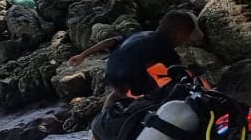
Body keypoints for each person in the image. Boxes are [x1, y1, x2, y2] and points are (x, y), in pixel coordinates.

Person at [68, 10, 200, 104]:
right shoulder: (164, 47)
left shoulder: (143, 34)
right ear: (177, 34)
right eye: (187, 35)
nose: (186, 39)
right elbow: (178, 71)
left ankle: (105, 115)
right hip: (126, 74)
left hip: (110, 69)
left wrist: (82, 55)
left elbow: (111, 41)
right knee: (158, 93)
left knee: (119, 92)